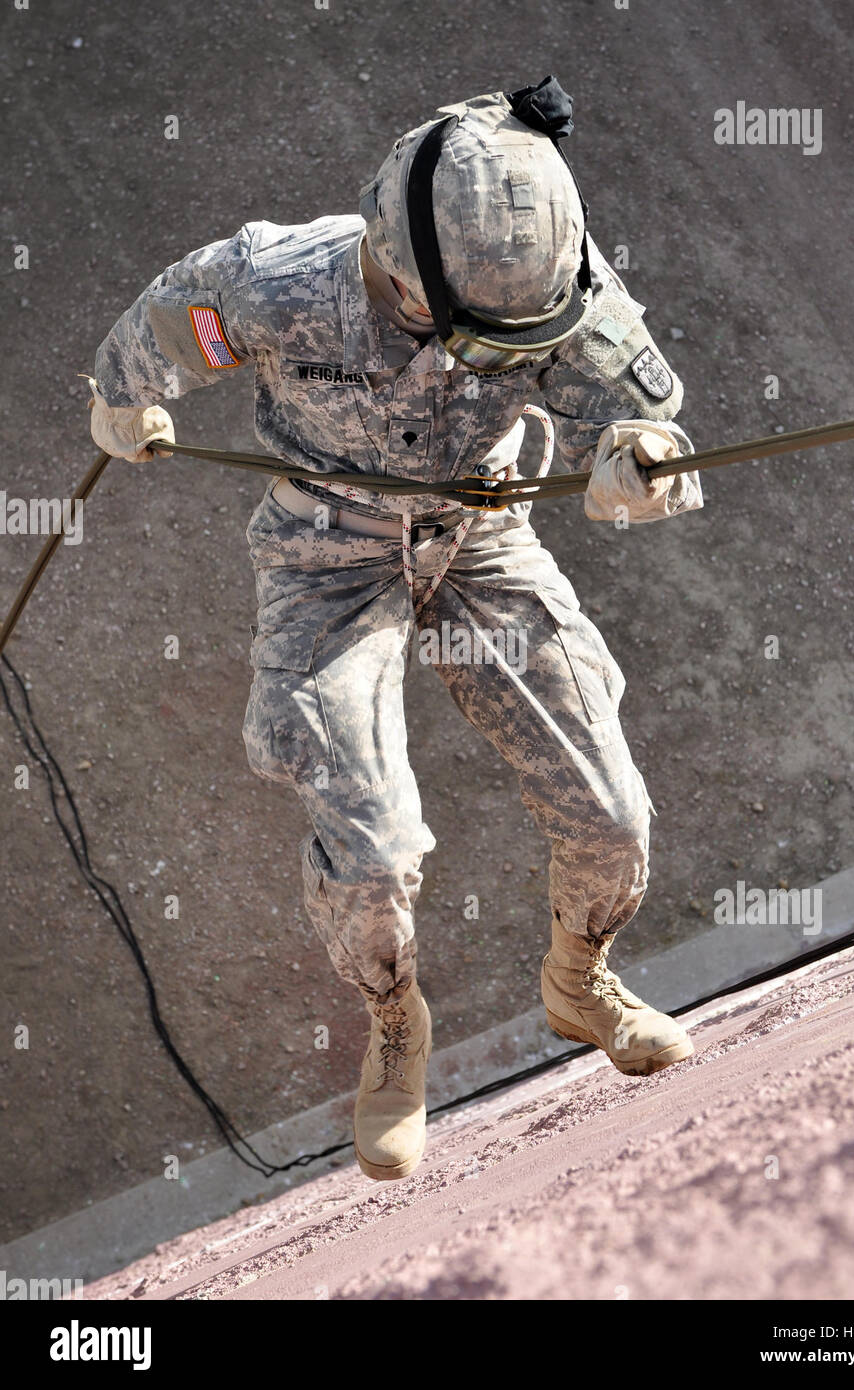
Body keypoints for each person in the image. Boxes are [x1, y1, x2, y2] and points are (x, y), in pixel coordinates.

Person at [87, 77, 704, 1183]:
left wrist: (639, 465)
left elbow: (644, 414)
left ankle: (580, 978)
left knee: (613, 813)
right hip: (331, 552)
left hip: (483, 530)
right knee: (370, 850)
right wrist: (123, 399)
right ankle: (395, 1019)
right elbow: (159, 327)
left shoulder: (547, 276)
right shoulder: (276, 285)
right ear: (407, 273)